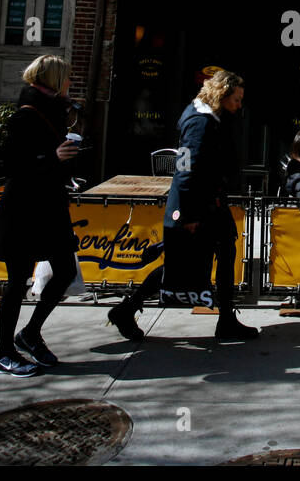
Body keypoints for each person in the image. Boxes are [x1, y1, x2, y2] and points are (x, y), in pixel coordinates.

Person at [108, 70, 257, 341]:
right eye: (236, 99)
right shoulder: (200, 123)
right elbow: (186, 168)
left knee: (222, 256)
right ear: (222, 95)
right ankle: (127, 309)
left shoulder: (207, 118)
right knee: (181, 266)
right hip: (198, 207)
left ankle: (225, 319)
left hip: (209, 204)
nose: (239, 104)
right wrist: (188, 214)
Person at [0, 55, 81, 376]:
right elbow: (13, 167)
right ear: (54, 79)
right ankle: (3, 353)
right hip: (24, 212)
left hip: (50, 208)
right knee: (17, 282)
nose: (70, 82)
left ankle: (30, 332)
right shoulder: (26, 116)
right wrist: (53, 157)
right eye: (66, 77)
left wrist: (63, 161)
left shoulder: (54, 113)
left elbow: (48, 163)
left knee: (66, 270)